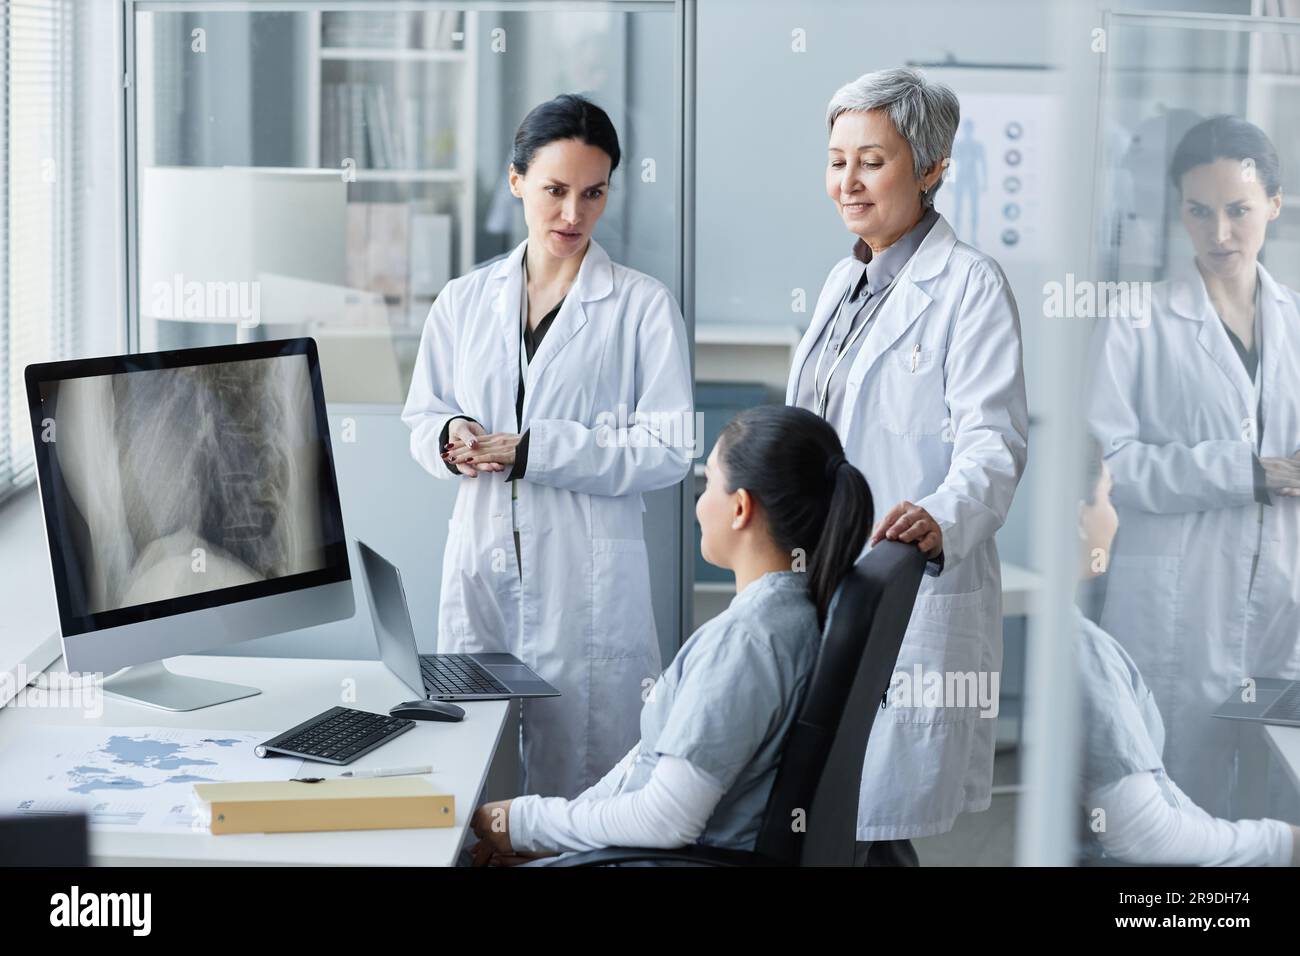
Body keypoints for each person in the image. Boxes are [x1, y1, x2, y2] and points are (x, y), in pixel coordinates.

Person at [401, 94, 693, 799]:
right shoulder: (463, 301)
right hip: (481, 571)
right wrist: (449, 438)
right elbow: (421, 415)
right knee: (479, 772)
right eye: (555, 191)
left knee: (582, 785)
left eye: (593, 194)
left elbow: (669, 449)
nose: (573, 215)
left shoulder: (641, 306)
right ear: (516, 182)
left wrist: (532, 451)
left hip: (585, 586)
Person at [787, 67, 1028, 862]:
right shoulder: (840, 282)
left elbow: (993, 444)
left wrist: (941, 515)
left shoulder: (970, 287)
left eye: (872, 162)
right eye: (835, 160)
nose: (846, 184)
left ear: (931, 169)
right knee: (836, 815)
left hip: (901, 581)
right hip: (825, 579)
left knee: (866, 822)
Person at [467, 405, 873, 864]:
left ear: (740, 508)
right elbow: (642, 778)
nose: (700, 503)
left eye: (708, 484)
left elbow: (666, 819)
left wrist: (523, 822)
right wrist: (554, 846)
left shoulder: (746, 643)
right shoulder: (793, 615)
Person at [1088, 114, 1300, 818]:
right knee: (1170, 796)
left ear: (1274, 203)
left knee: (1270, 796)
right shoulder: (1137, 320)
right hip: (1176, 603)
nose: (1219, 234)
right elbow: (1114, 466)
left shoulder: (1296, 323)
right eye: (1199, 212)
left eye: (1239, 211)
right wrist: (1249, 471)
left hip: (1280, 596)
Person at [1075, 436, 1299, 866]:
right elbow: (1146, 836)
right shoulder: (1086, 655)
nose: (1115, 517)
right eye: (1107, 497)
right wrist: (1286, 844)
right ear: (1078, 518)